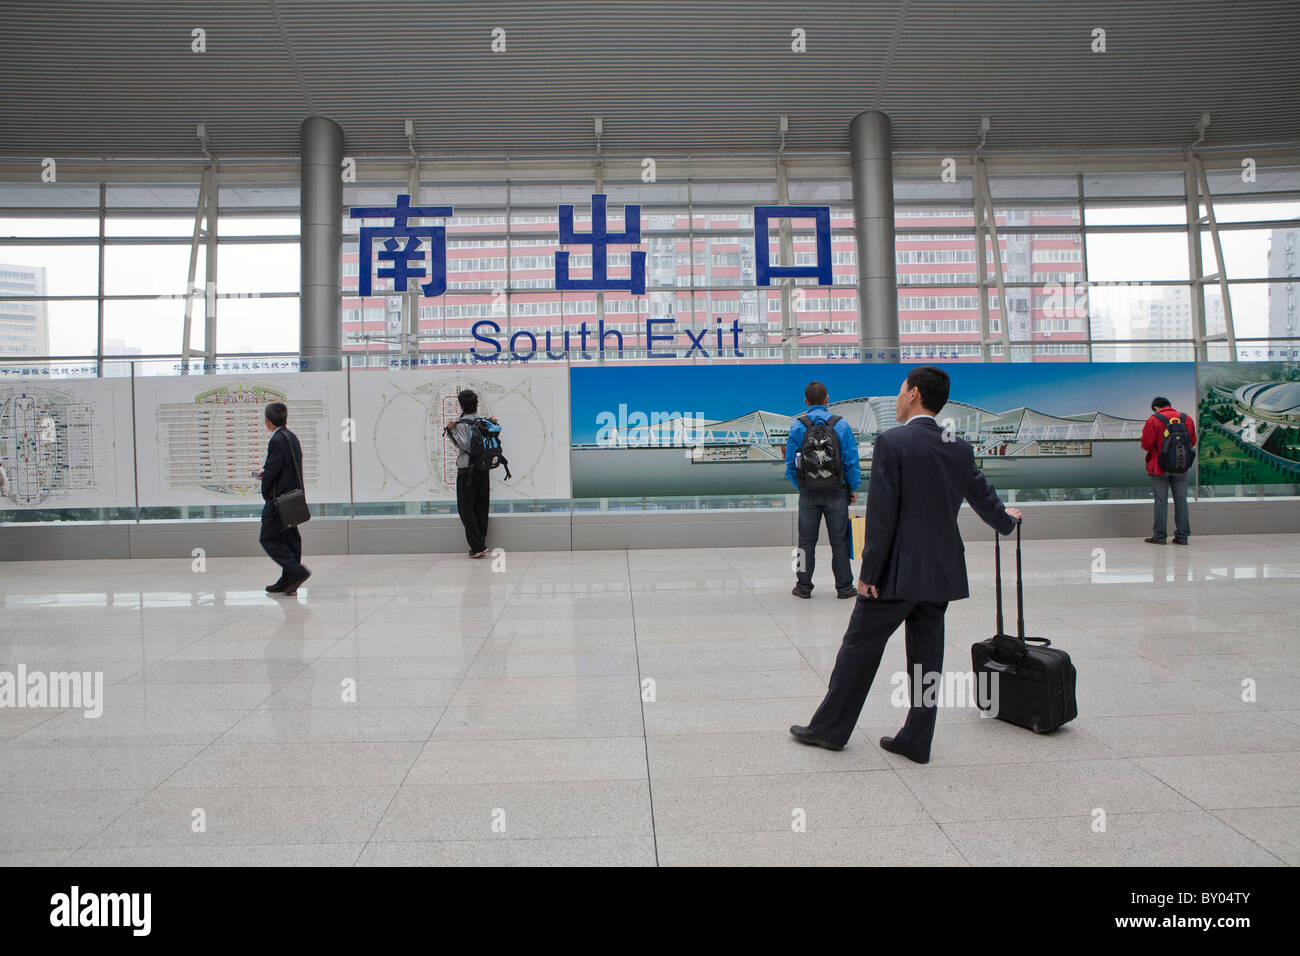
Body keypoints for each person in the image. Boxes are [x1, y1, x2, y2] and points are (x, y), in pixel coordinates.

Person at [790, 366, 1022, 763]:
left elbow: (882, 516)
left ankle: (830, 729)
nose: (897, 398)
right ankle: (916, 739)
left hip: (896, 573)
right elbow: (983, 497)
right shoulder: (958, 445)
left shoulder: (893, 442)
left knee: (859, 648)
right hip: (941, 571)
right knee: (928, 658)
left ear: (914, 393)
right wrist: (1007, 520)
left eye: (900, 391)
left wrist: (867, 574)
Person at [784, 381, 861, 599]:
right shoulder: (841, 425)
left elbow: (790, 464)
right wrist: (853, 487)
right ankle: (845, 588)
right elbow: (851, 460)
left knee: (805, 542)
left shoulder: (798, 426)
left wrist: (803, 486)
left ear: (806, 401)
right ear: (827, 399)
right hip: (836, 492)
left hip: (808, 493)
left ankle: (803, 586)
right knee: (840, 542)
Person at [256, 401, 311, 594]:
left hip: (279, 500)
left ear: (268, 420)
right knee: (290, 538)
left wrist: (265, 490)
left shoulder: (277, 440)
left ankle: (296, 572)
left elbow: (272, 470)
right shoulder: (292, 437)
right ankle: (289, 580)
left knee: (268, 537)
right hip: (292, 497)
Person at [446, 388, 498, 559]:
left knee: (466, 509)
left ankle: (477, 547)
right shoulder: (484, 422)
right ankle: (480, 543)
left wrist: (450, 430)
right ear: (476, 404)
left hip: (466, 472)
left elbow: (464, 446)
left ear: (461, 405)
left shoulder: (460, 425)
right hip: (483, 470)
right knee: (481, 508)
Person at [1141, 396, 1196, 546]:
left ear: (1156, 408)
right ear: (1170, 405)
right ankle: (1183, 536)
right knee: (1181, 501)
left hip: (1159, 468)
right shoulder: (1187, 419)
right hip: (1181, 466)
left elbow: (1146, 444)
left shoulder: (1154, 420)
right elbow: (1193, 441)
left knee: (1160, 502)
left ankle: (1159, 536)